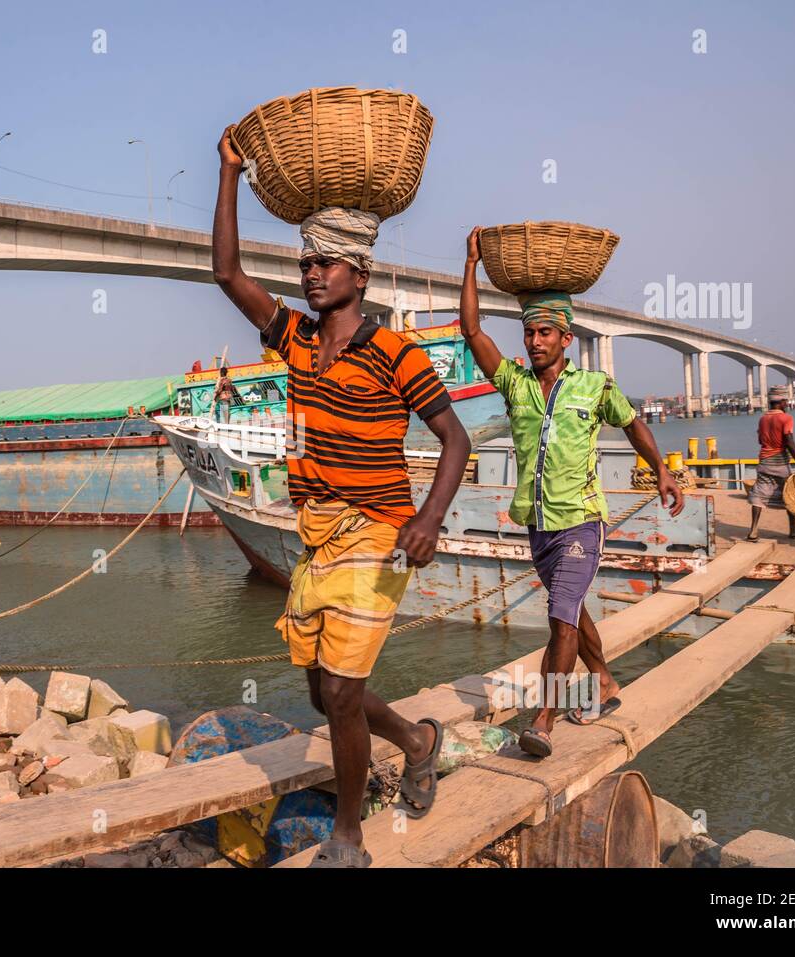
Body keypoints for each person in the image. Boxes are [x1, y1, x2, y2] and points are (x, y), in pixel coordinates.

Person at [213, 127, 471, 867]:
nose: (310, 273)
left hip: (379, 533)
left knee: (341, 689)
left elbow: (456, 439)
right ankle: (419, 741)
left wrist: (429, 518)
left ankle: (349, 835)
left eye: (324, 262)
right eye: (304, 261)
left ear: (359, 272)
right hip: (318, 532)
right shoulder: (292, 338)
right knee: (326, 697)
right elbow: (227, 271)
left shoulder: (396, 353)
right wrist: (228, 173)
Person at [459, 226, 683, 759]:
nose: (533, 342)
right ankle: (604, 680)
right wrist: (470, 264)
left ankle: (544, 719)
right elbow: (471, 330)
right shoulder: (513, 383)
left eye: (543, 333)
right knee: (575, 612)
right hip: (538, 524)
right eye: (528, 333)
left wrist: (662, 470)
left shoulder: (594, 387)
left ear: (565, 337)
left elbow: (633, 425)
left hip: (582, 519)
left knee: (560, 619)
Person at [746, 385, 795, 541]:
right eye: (786, 401)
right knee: (789, 495)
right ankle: (793, 530)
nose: (787, 404)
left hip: (763, 462)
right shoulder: (786, 418)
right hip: (780, 463)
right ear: (781, 402)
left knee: (758, 495)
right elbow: (789, 441)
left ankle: (753, 531)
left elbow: (760, 440)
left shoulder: (763, 419)